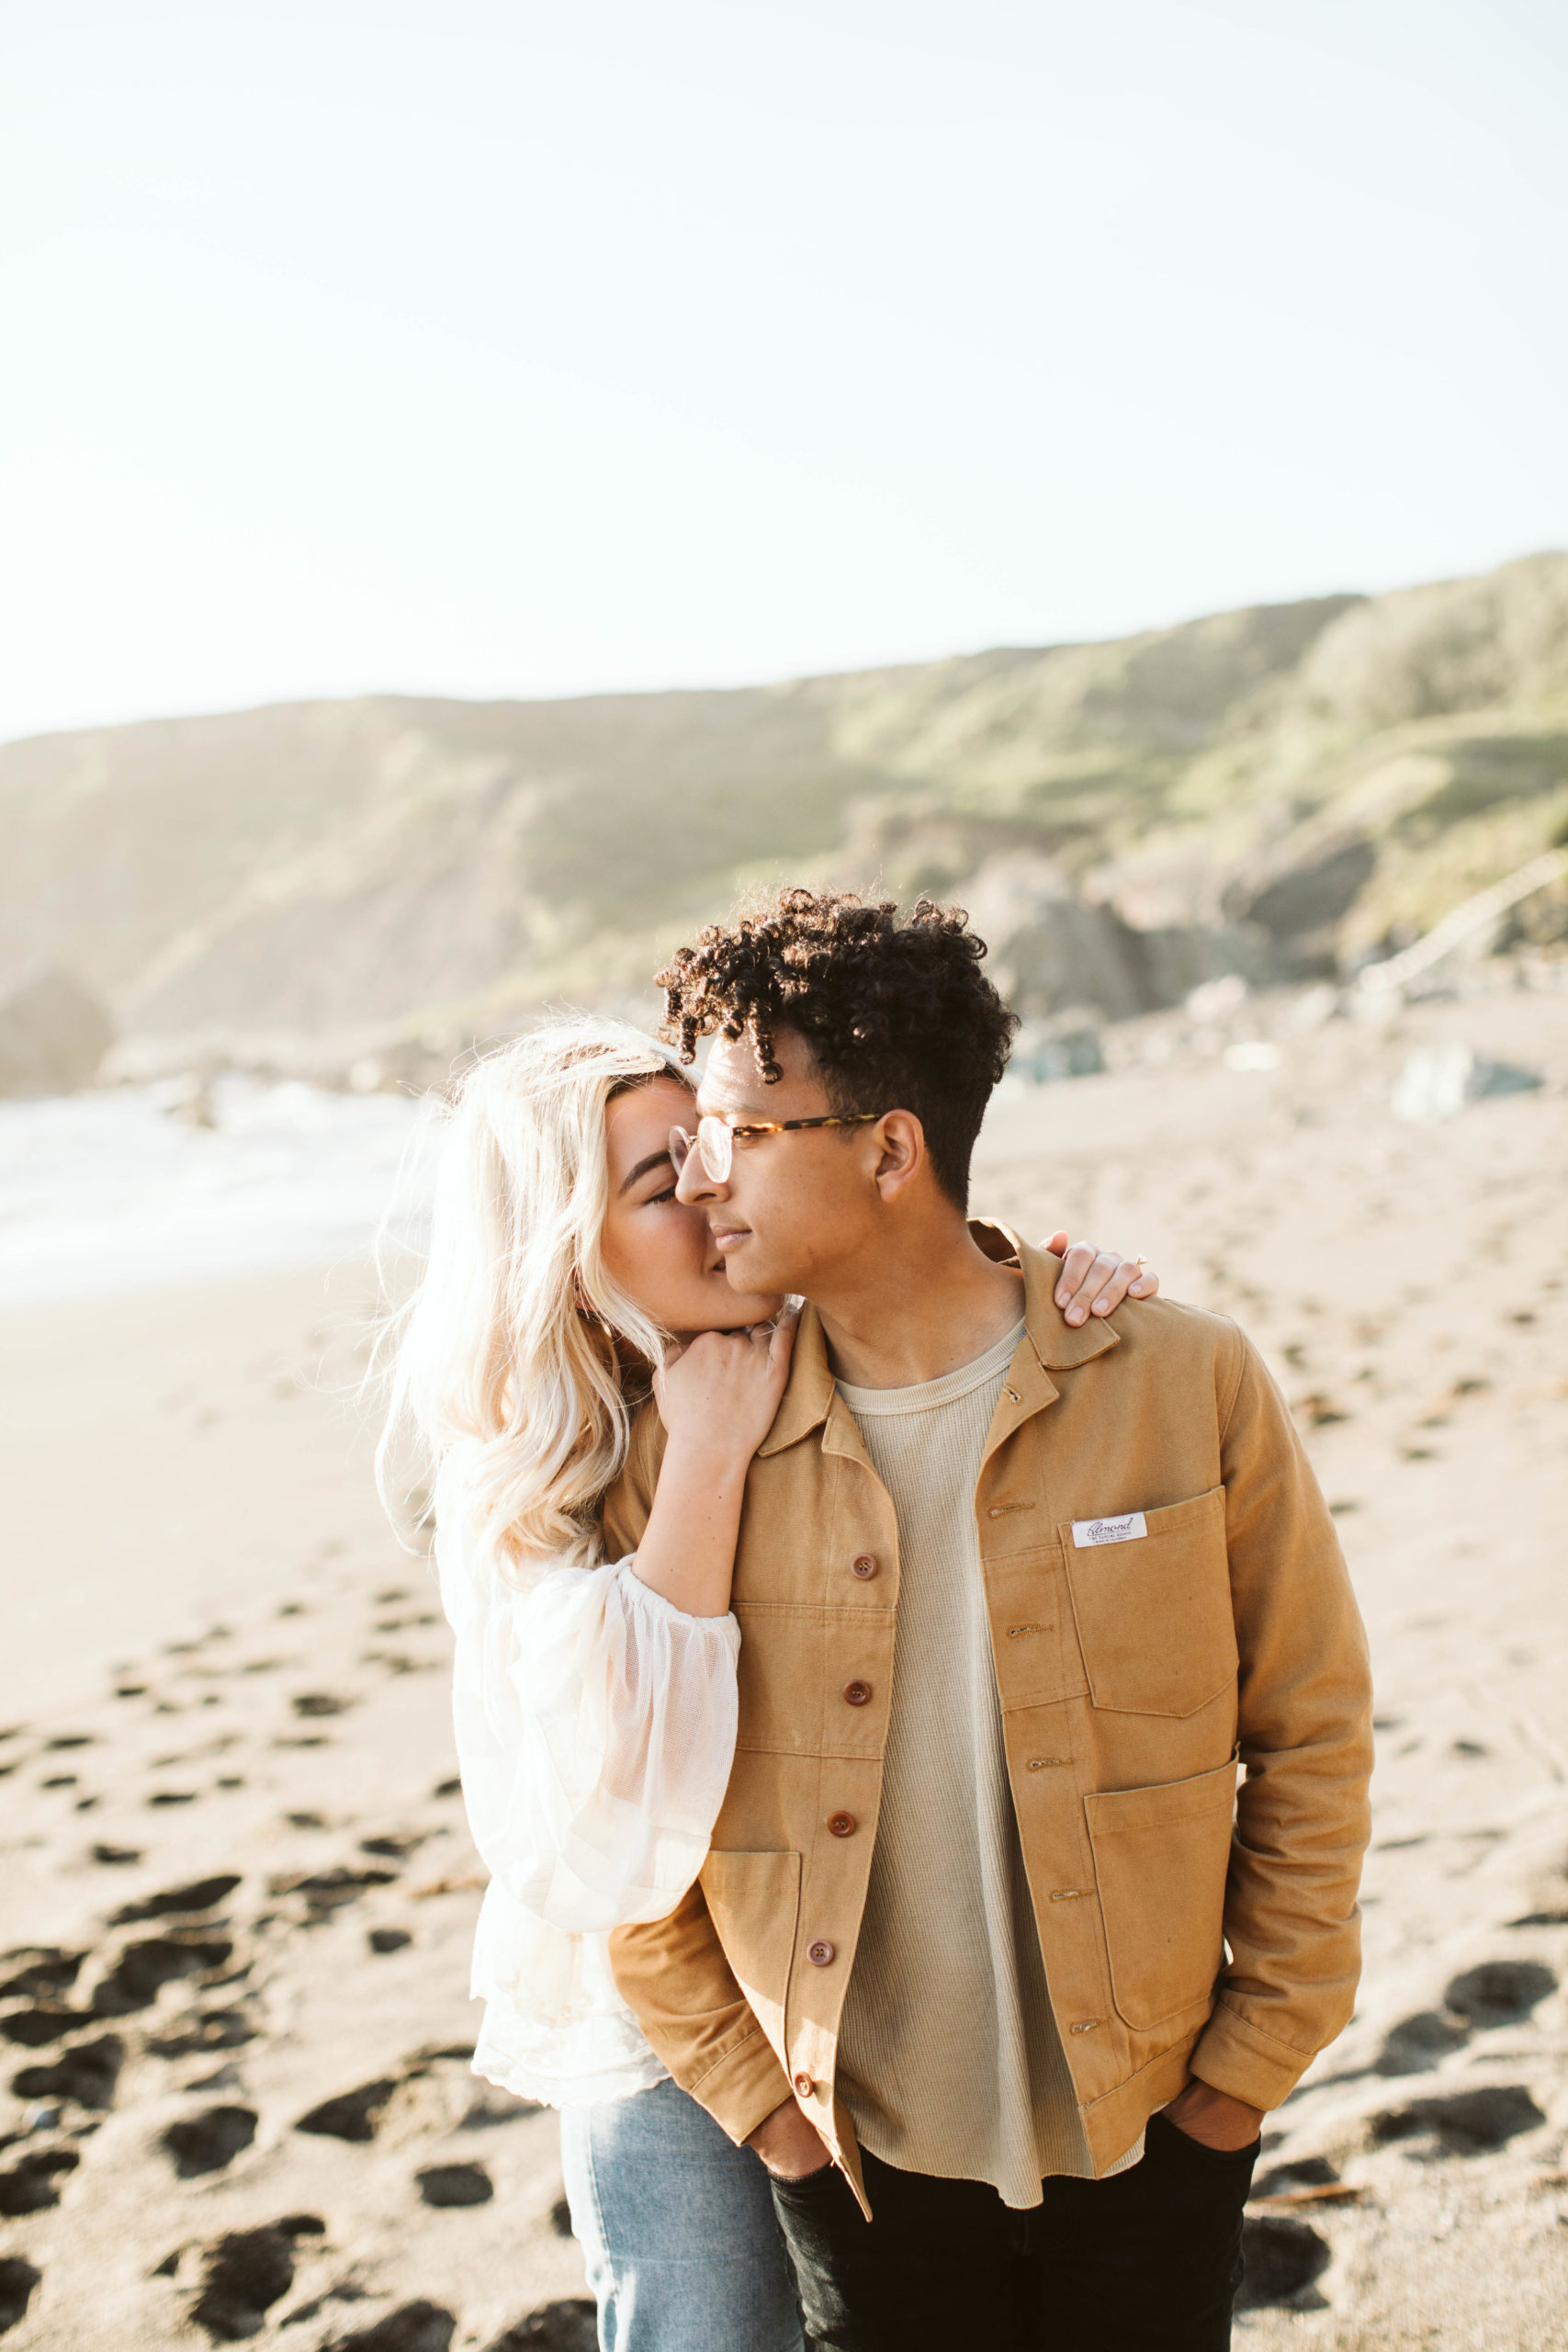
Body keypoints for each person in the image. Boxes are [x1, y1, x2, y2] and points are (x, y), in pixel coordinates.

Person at [605, 888, 1376, 2352]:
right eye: (694, 1139)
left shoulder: (1178, 1377)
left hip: (1156, 2119)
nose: (705, 1178)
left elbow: (1313, 1728)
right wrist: (767, 2116)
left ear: (894, 1146)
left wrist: (1248, 2071)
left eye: (741, 1132)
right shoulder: (692, 1448)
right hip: (857, 2152)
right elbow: (627, 1812)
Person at [377, 1012, 1161, 2352]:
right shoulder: (528, 1479)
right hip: (664, 2010)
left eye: (714, 1144)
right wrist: (704, 1461)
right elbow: (630, 1812)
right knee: (709, 2329)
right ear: (569, 1259)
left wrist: (1054, 1278)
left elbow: (939, 1299)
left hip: (871, 1965)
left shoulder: (811, 1336)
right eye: (653, 1179)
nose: (710, 1187)